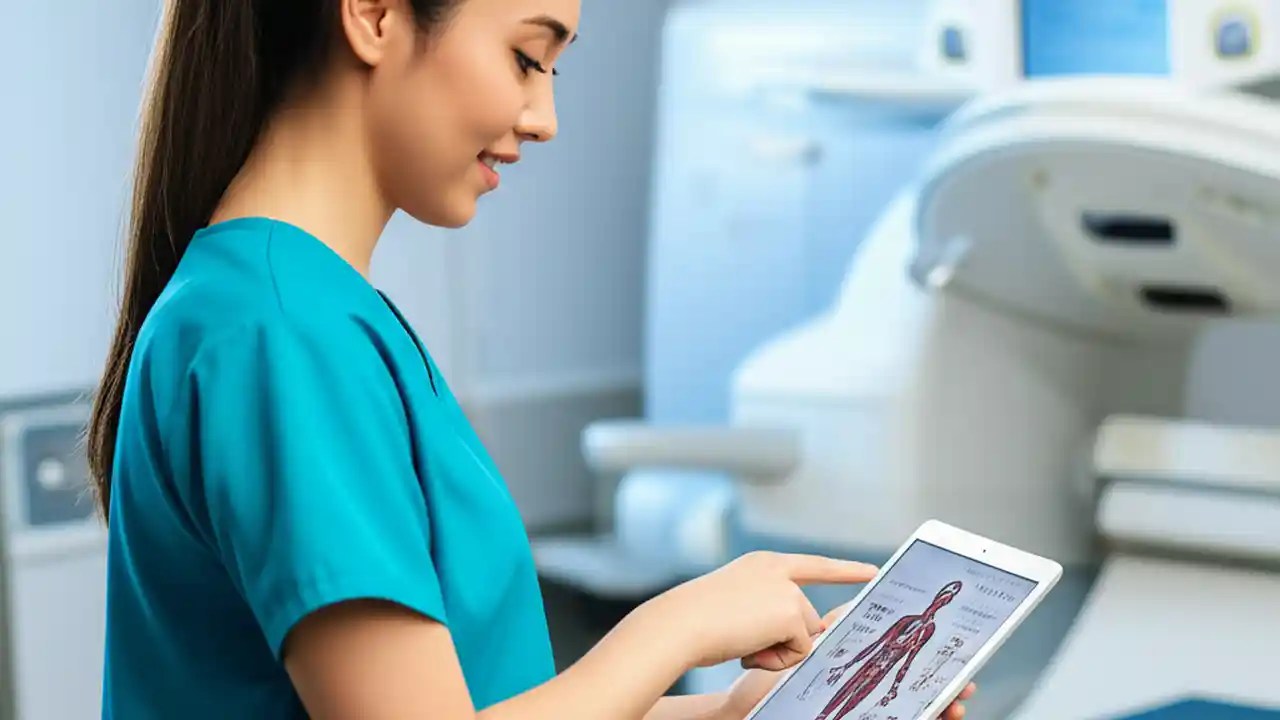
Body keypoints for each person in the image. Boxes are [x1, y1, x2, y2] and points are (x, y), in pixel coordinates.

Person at [85, 1, 976, 718]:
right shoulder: (281, 335)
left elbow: (489, 702)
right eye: (526, 56)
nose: (544, 118)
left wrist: (736, 712)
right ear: (374, 16)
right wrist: (674, 627)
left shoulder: (296, 311)